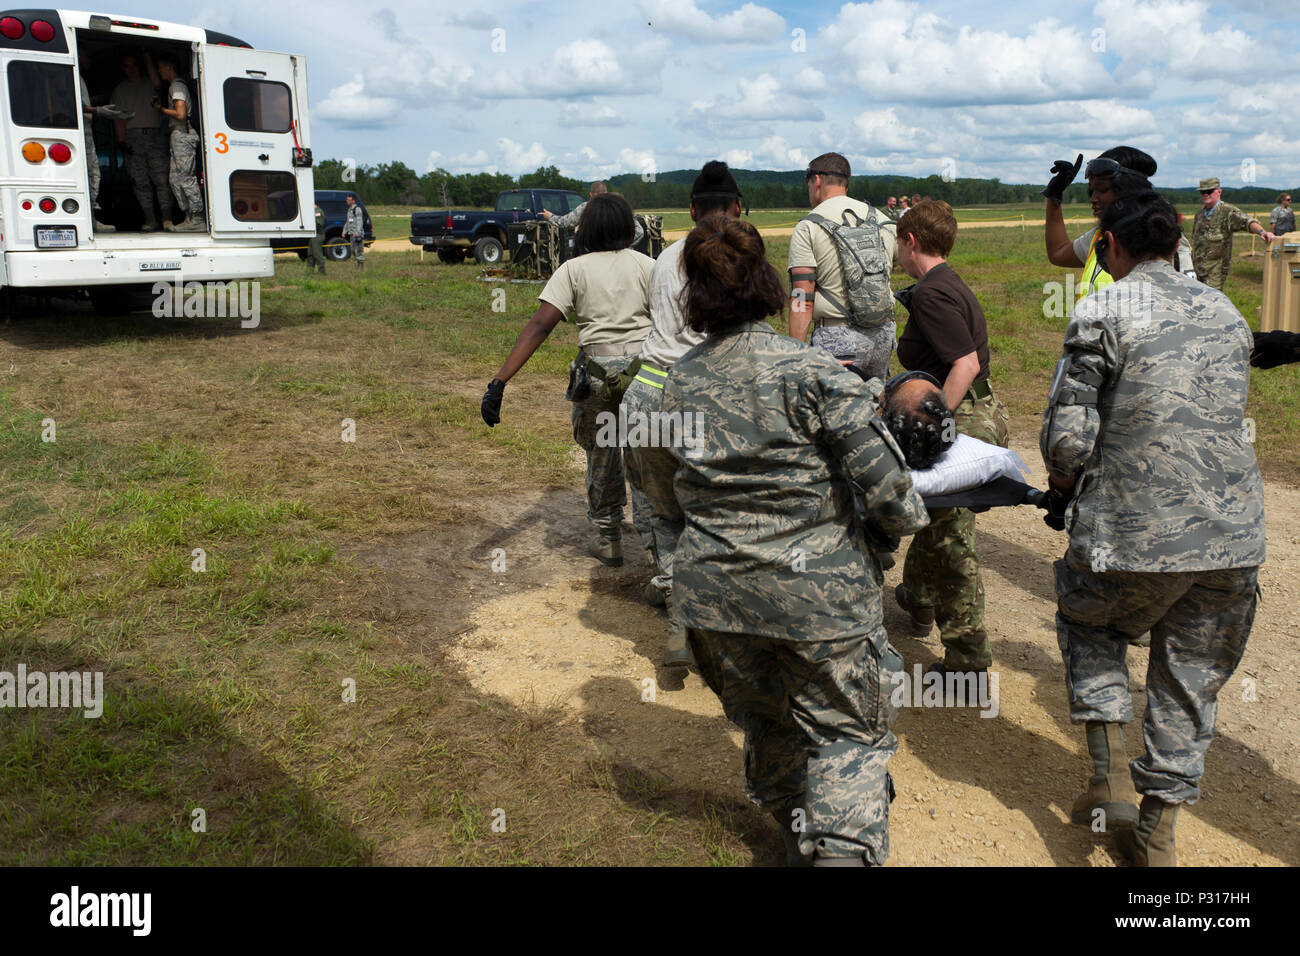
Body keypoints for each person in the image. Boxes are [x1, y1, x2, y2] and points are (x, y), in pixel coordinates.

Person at [661, 215, 929, 866]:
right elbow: (893, 495)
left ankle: (792, 836)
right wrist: (893, 533)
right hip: (819, 601)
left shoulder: (676, 384)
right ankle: (837, 849)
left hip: (715, 601)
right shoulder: (813, 374)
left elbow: (678, 491)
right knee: (846, 737)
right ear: (767, 286)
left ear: (693, 297)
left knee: (770, 727)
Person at [1040, 189, 1265, 866]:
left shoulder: (1104, 308)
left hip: (1129, 534)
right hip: (1231, 538)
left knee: (1094, 626)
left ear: (1110, 244)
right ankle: (1159, 826)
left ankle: (1106, 782)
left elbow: (1069, 441)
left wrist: (1060, 488)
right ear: (1177, 244)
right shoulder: (1226, 312)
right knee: (1190, 675)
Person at [481, 193, 654, 568]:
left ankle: (608, 537)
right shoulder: (648, 266)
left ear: (586, 227)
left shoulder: (573, 270)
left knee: (602, 455)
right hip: (645, 376)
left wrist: (499, 382)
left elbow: (539, 326)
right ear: (628, 227)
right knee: (645, 458)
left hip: (596, 376)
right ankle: (657, 547)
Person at [620, 160, 741, 668]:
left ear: (691, 210)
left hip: (648, 390)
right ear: (737, 209)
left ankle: (675, 603)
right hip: (712, 392)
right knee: (718, 503)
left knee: (657, 504)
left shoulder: (665, 257)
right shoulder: (741, 255)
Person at [892, 199, 1010, 680]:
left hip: (965, 416)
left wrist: (934, 420)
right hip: (978, 410)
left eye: (898, 243)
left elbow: (966, 364)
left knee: (952, 536)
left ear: (911, 242)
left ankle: (968, 660)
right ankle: (919, 599)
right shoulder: (946, 281)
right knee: (937, 515)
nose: (896, 251)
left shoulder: (933, 294)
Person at [788, 152, 898, 380]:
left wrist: (795, 359)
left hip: (836, 339)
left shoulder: (809, 226)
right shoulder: (879, 218)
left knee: (832, 413)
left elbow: (802, 298)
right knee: (874, 407)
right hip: (882, 335)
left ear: (816, 180)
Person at [1044, 146, 1195, 301]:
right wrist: (1054, 197)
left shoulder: (1163, 240)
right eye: (1092, 191)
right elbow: (1058, 253)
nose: (1093, 199)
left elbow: (1185, 306)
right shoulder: (1099, 236)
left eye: (1102, 190)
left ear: (1130, 190)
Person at [112, 51, 172, 231]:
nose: (130, 69)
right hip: (133, 137)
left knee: (162, 179)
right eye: (125, 65)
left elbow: (157, 82)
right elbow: (118, 118)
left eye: (133, 64)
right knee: (140, 181)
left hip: (154, 136)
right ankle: (150, 219)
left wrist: (146, 57)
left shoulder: (149, 83)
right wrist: (122, 141)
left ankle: (167, 219)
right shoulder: (119, 90)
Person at [1191, 177, 1274, 291]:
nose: (1205, 194)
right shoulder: (1199, 215)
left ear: (1219, 192)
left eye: (1209, 191)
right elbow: (1196, 243)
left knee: (1211, 302)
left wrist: (1262, 232)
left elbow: (1247, 221)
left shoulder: (1227, 211)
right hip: (1198, 269)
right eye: (1202, 192)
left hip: (1215, 271)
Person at [155, 55, 204, 232]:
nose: (159, 71)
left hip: (183, 133)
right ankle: (188, 216)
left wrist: (161, 109)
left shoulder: (176, 86)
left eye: (160, 67)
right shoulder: (175, 86)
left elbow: (181, 114)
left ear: (169, 67)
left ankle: (197, 218)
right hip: (179, 135)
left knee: (185, 176)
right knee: (175, 179)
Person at [542, 181, 643, 246]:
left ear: (590, 194)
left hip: (594, 256)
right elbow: (639, 232)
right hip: (620, 257)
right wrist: (620, 245)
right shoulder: (619, 206)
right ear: (606, 192)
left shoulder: (585, 207)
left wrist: (550, 216)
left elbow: (566, 222)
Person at [78, 68, 115, 233]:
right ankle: (90, 219)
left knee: (91, 172)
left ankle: (91, 218)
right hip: (81, 128)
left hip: (85, 127)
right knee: (91, 172)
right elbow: (75, 103)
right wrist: (98, 110)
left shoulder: (78, 76)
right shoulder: (74, 75)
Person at [343, 195, 366, 270]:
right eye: (347, 200)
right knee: (353, 250)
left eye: (349, 200)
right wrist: (344, 231)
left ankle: (361, 267)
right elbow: (348, 222)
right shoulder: (349, 210)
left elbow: (360, 221)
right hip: (351, 234)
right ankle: (358, 263)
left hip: (357, 234)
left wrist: (358, 232)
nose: (347, 201)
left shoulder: (357, 209)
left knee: (359, 250)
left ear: (353, 201)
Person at [307, 203, 327, 275]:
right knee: (310, 254)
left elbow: (320, 223)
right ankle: (309, 272)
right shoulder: (313, 212)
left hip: (318, 235)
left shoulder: (318, 212)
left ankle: (322, 272)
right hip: (313, 235)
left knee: (317, 254)